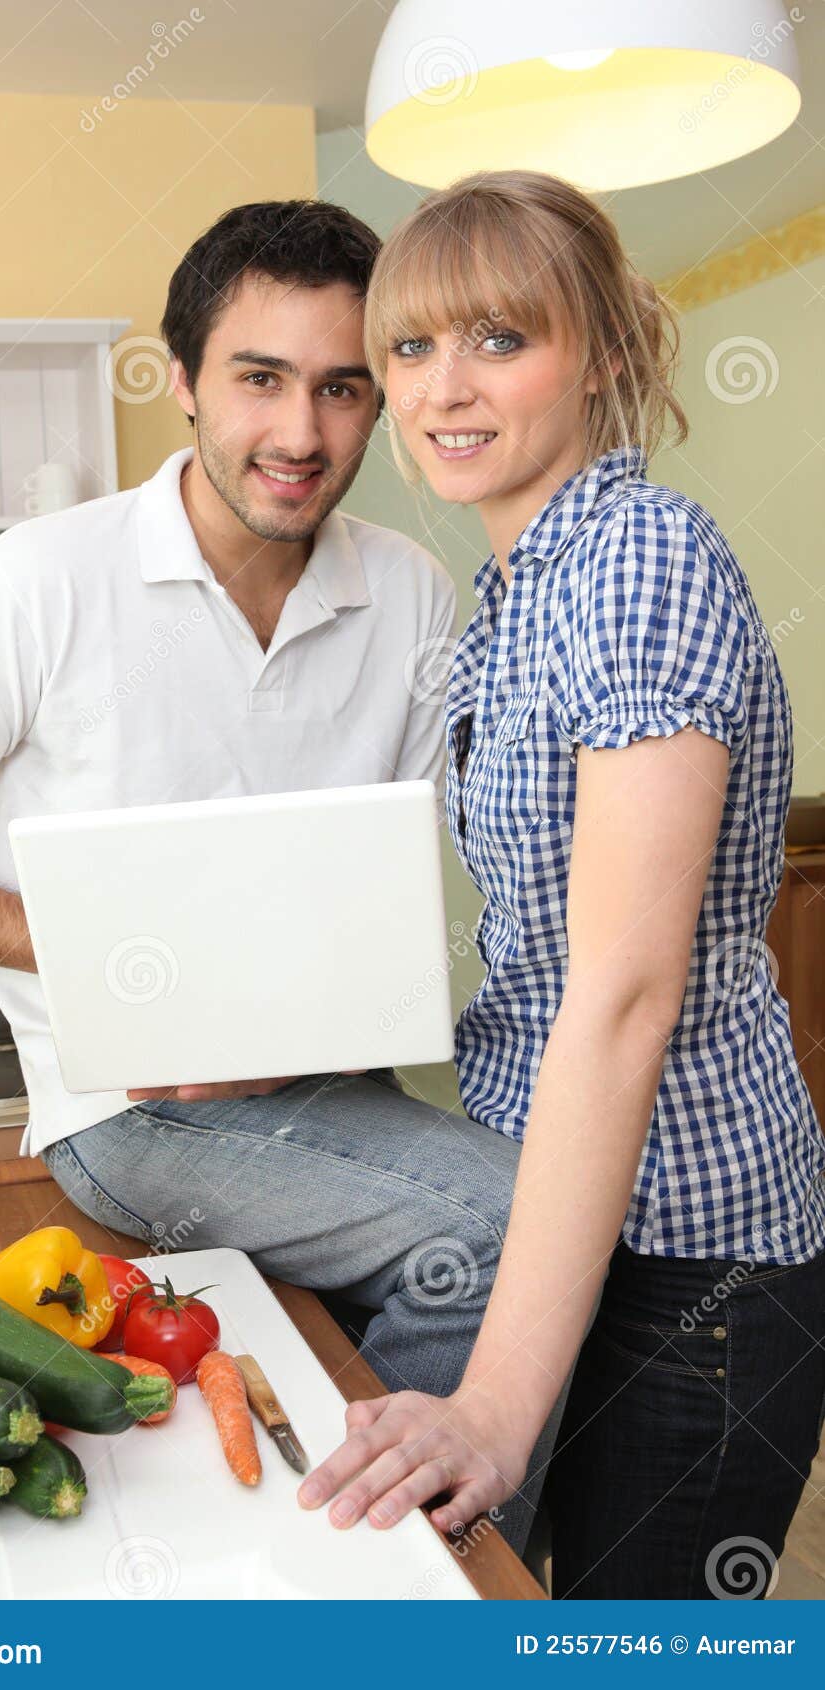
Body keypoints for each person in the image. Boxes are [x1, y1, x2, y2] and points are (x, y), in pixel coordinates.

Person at [0, 199, 544, 1552]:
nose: (302, 435)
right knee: (512, 1224)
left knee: (534, 1218)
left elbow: (388, 876)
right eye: (260, 379)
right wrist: (137, 970)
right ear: (179, 379)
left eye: (343, 388)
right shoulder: (34, 583)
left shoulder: (415, 593)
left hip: (335, 1094)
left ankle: (351, 1548)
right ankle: (437, 1586)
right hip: (126, 1113)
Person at [298, 170, 825, 1600]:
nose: (442, 390)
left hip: (692, 1264)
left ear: (598, 350)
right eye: (410, 349)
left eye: (498, 340)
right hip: (561, 1214)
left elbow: (623, 993)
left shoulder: (640, 563)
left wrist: (497, 1402)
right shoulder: (516, 596)